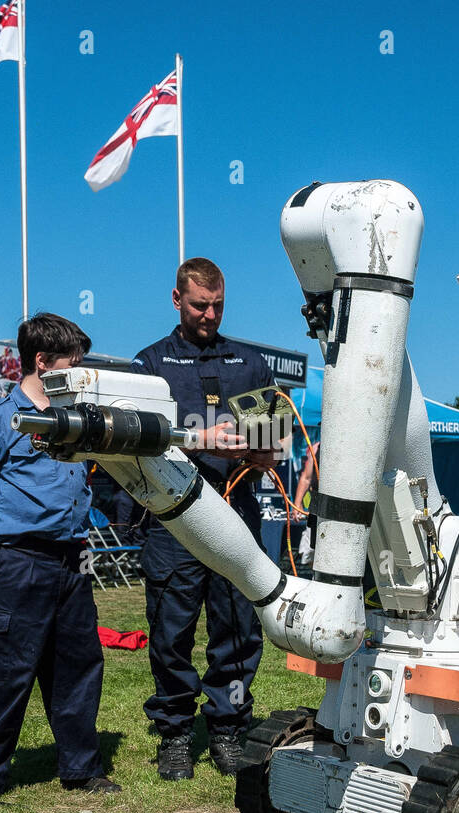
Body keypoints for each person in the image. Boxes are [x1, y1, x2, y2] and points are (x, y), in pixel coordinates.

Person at [0, 312, 118, 811]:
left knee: (79, 665)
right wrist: (18, 527)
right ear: (42, 362)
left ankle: (81, 768)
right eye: (71, 363)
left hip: (73, 559)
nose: (79, 373)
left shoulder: (78, 417)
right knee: (5, 669)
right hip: (16, 560)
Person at [133, 257, 278, 781]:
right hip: (174, 519)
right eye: (199, 305)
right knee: (171, 630)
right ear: (177, 300)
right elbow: (136, 439)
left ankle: (228, 728)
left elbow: (275, 442)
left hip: (237, 514)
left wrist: (266, 453)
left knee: (238, 628)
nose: (209, 314)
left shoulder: (249, 362)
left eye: (217, 305)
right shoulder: (148, 364)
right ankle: (174, 733)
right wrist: (199, 439)